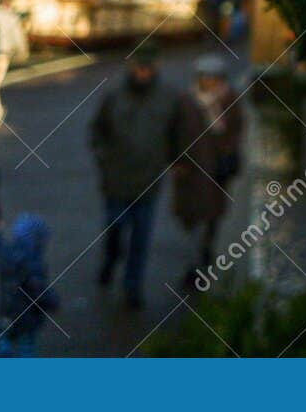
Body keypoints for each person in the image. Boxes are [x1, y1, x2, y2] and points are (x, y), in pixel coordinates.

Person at [88, 49, 174, 308]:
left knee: (141, 238)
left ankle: (132, 287)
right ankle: (111, 260)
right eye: (139, 67)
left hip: (148, 182)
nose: (143, 73)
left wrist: (174, 161)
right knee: (115, 228)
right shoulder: (113, 96)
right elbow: (97, 130)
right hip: (116, 181)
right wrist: (104, 159)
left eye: (148, 68)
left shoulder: (168, 97)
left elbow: (177, 134)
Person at [169, 53, 243, 286]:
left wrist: (227, 151)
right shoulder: (186, 101)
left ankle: (197, 266)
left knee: (210, 219)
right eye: (205, 77)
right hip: (190, 173)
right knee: (191, 220)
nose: (209, 82)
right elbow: (173, 133)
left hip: (216, 173)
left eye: (214, 77)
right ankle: (198, 259)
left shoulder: (230, 100)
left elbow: (237, 131)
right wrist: (176, 161)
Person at [0, 213, 60, 356]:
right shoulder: (34, 265)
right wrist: (52, 301)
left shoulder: (7, 255)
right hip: (27, 318)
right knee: (26, 346)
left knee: (4, 342)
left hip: (5, 312)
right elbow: (38, 290)